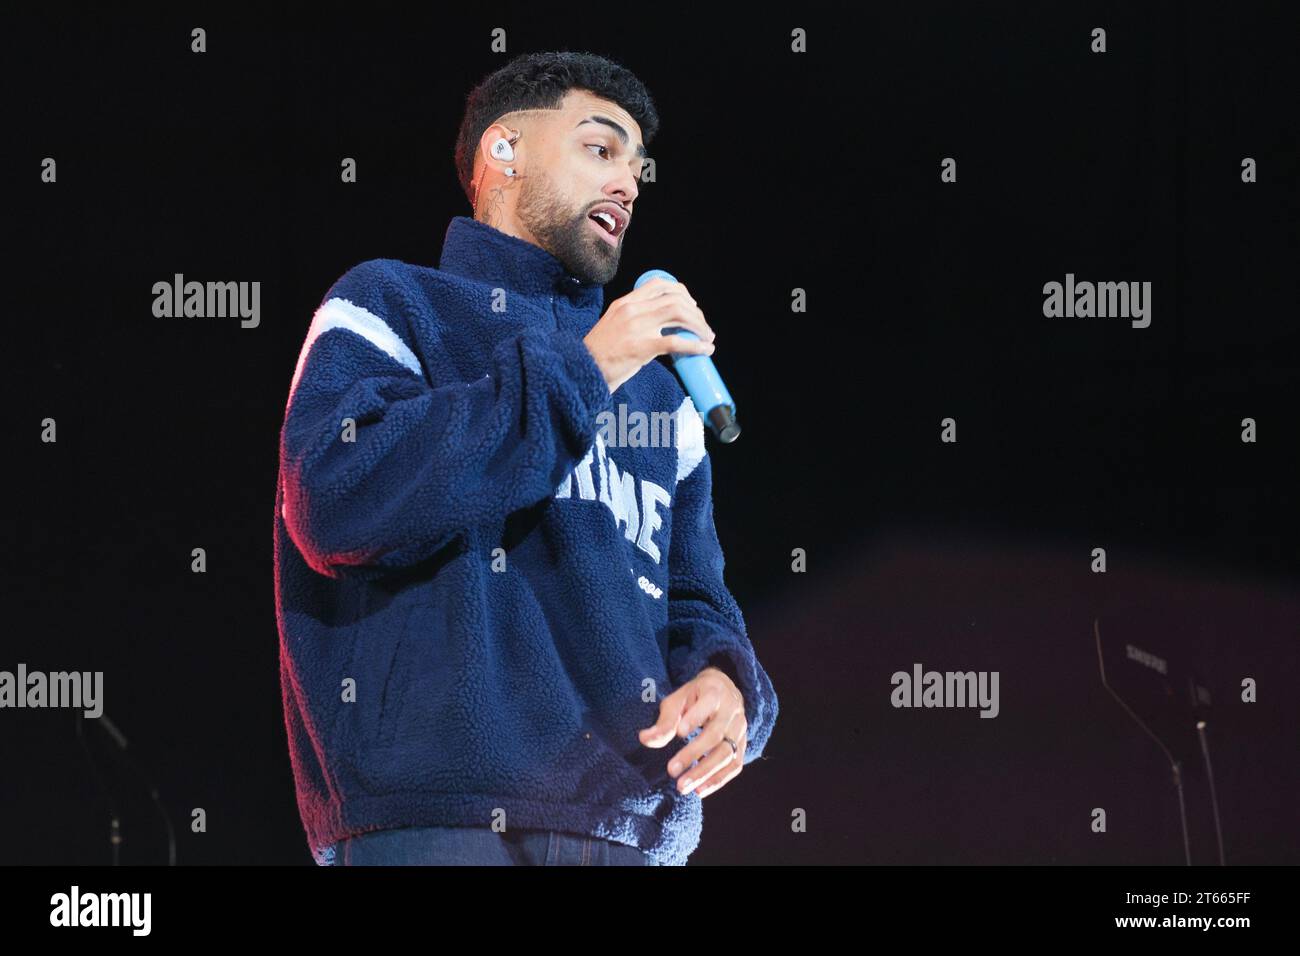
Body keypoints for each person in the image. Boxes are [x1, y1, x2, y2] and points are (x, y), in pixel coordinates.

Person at [273, 50, 778, 866]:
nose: (628, 183)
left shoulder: (658, 394)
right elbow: (336, 499)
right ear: (502, 150)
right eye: (599, 148)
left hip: (633, 832)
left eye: (638, 168)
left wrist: (727, 685)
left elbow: (699, 602)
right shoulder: (392, 306)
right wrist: (587, 369)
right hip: (441, 818)